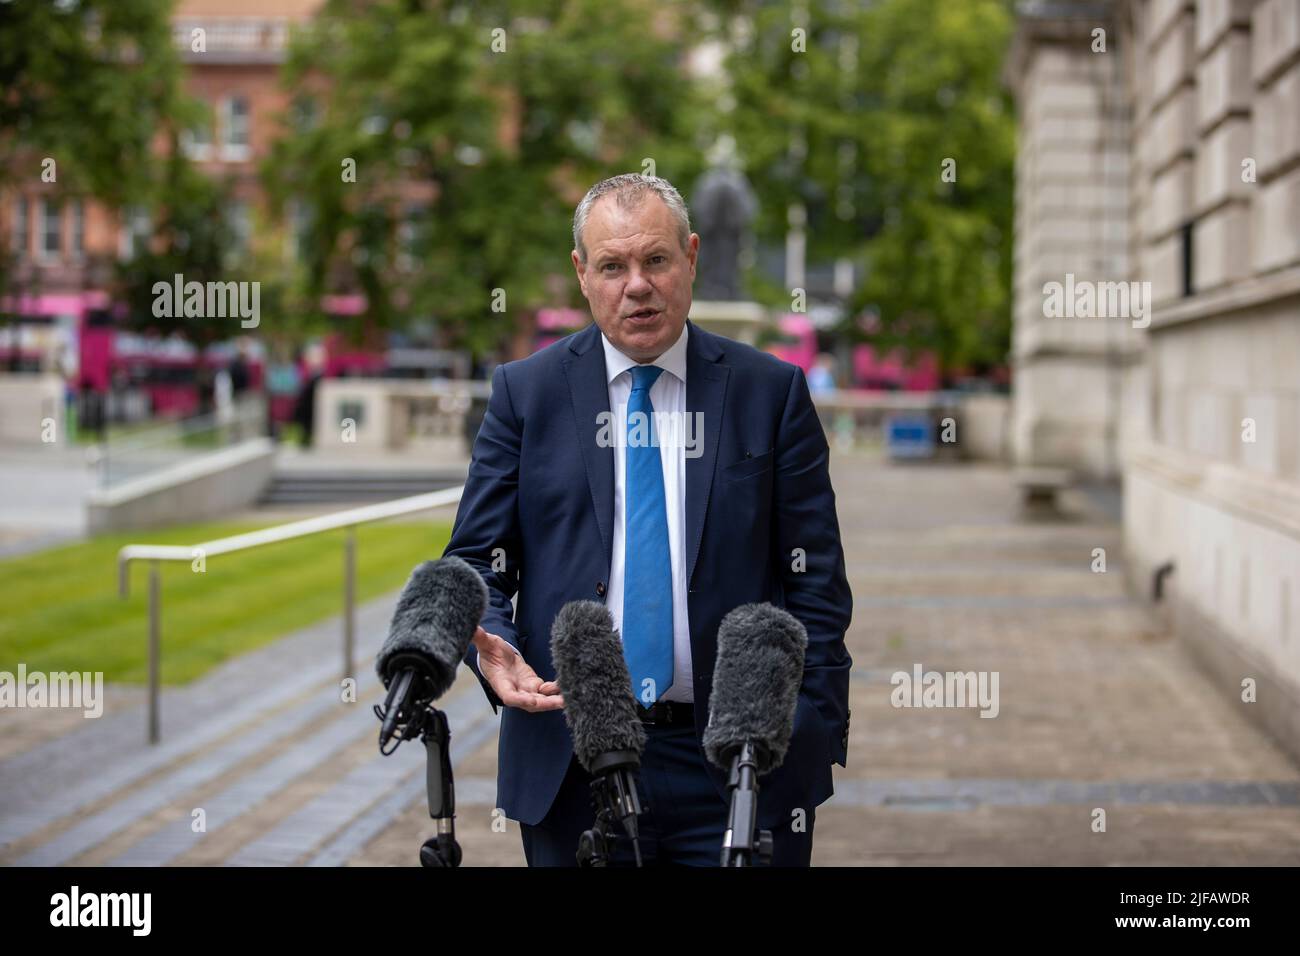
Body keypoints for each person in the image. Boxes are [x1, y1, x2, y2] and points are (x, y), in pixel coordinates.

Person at [443, 174, 852, 866]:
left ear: (691, 257)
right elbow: (477, 558)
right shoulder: (526, 396)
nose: (637, 285)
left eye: (656, 260)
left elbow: (817, 580)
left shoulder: (770, 393)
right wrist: (495, 650)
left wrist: (809, 721)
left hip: (738, 766)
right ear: (582, 274)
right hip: (574, 765)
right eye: (613, 265)